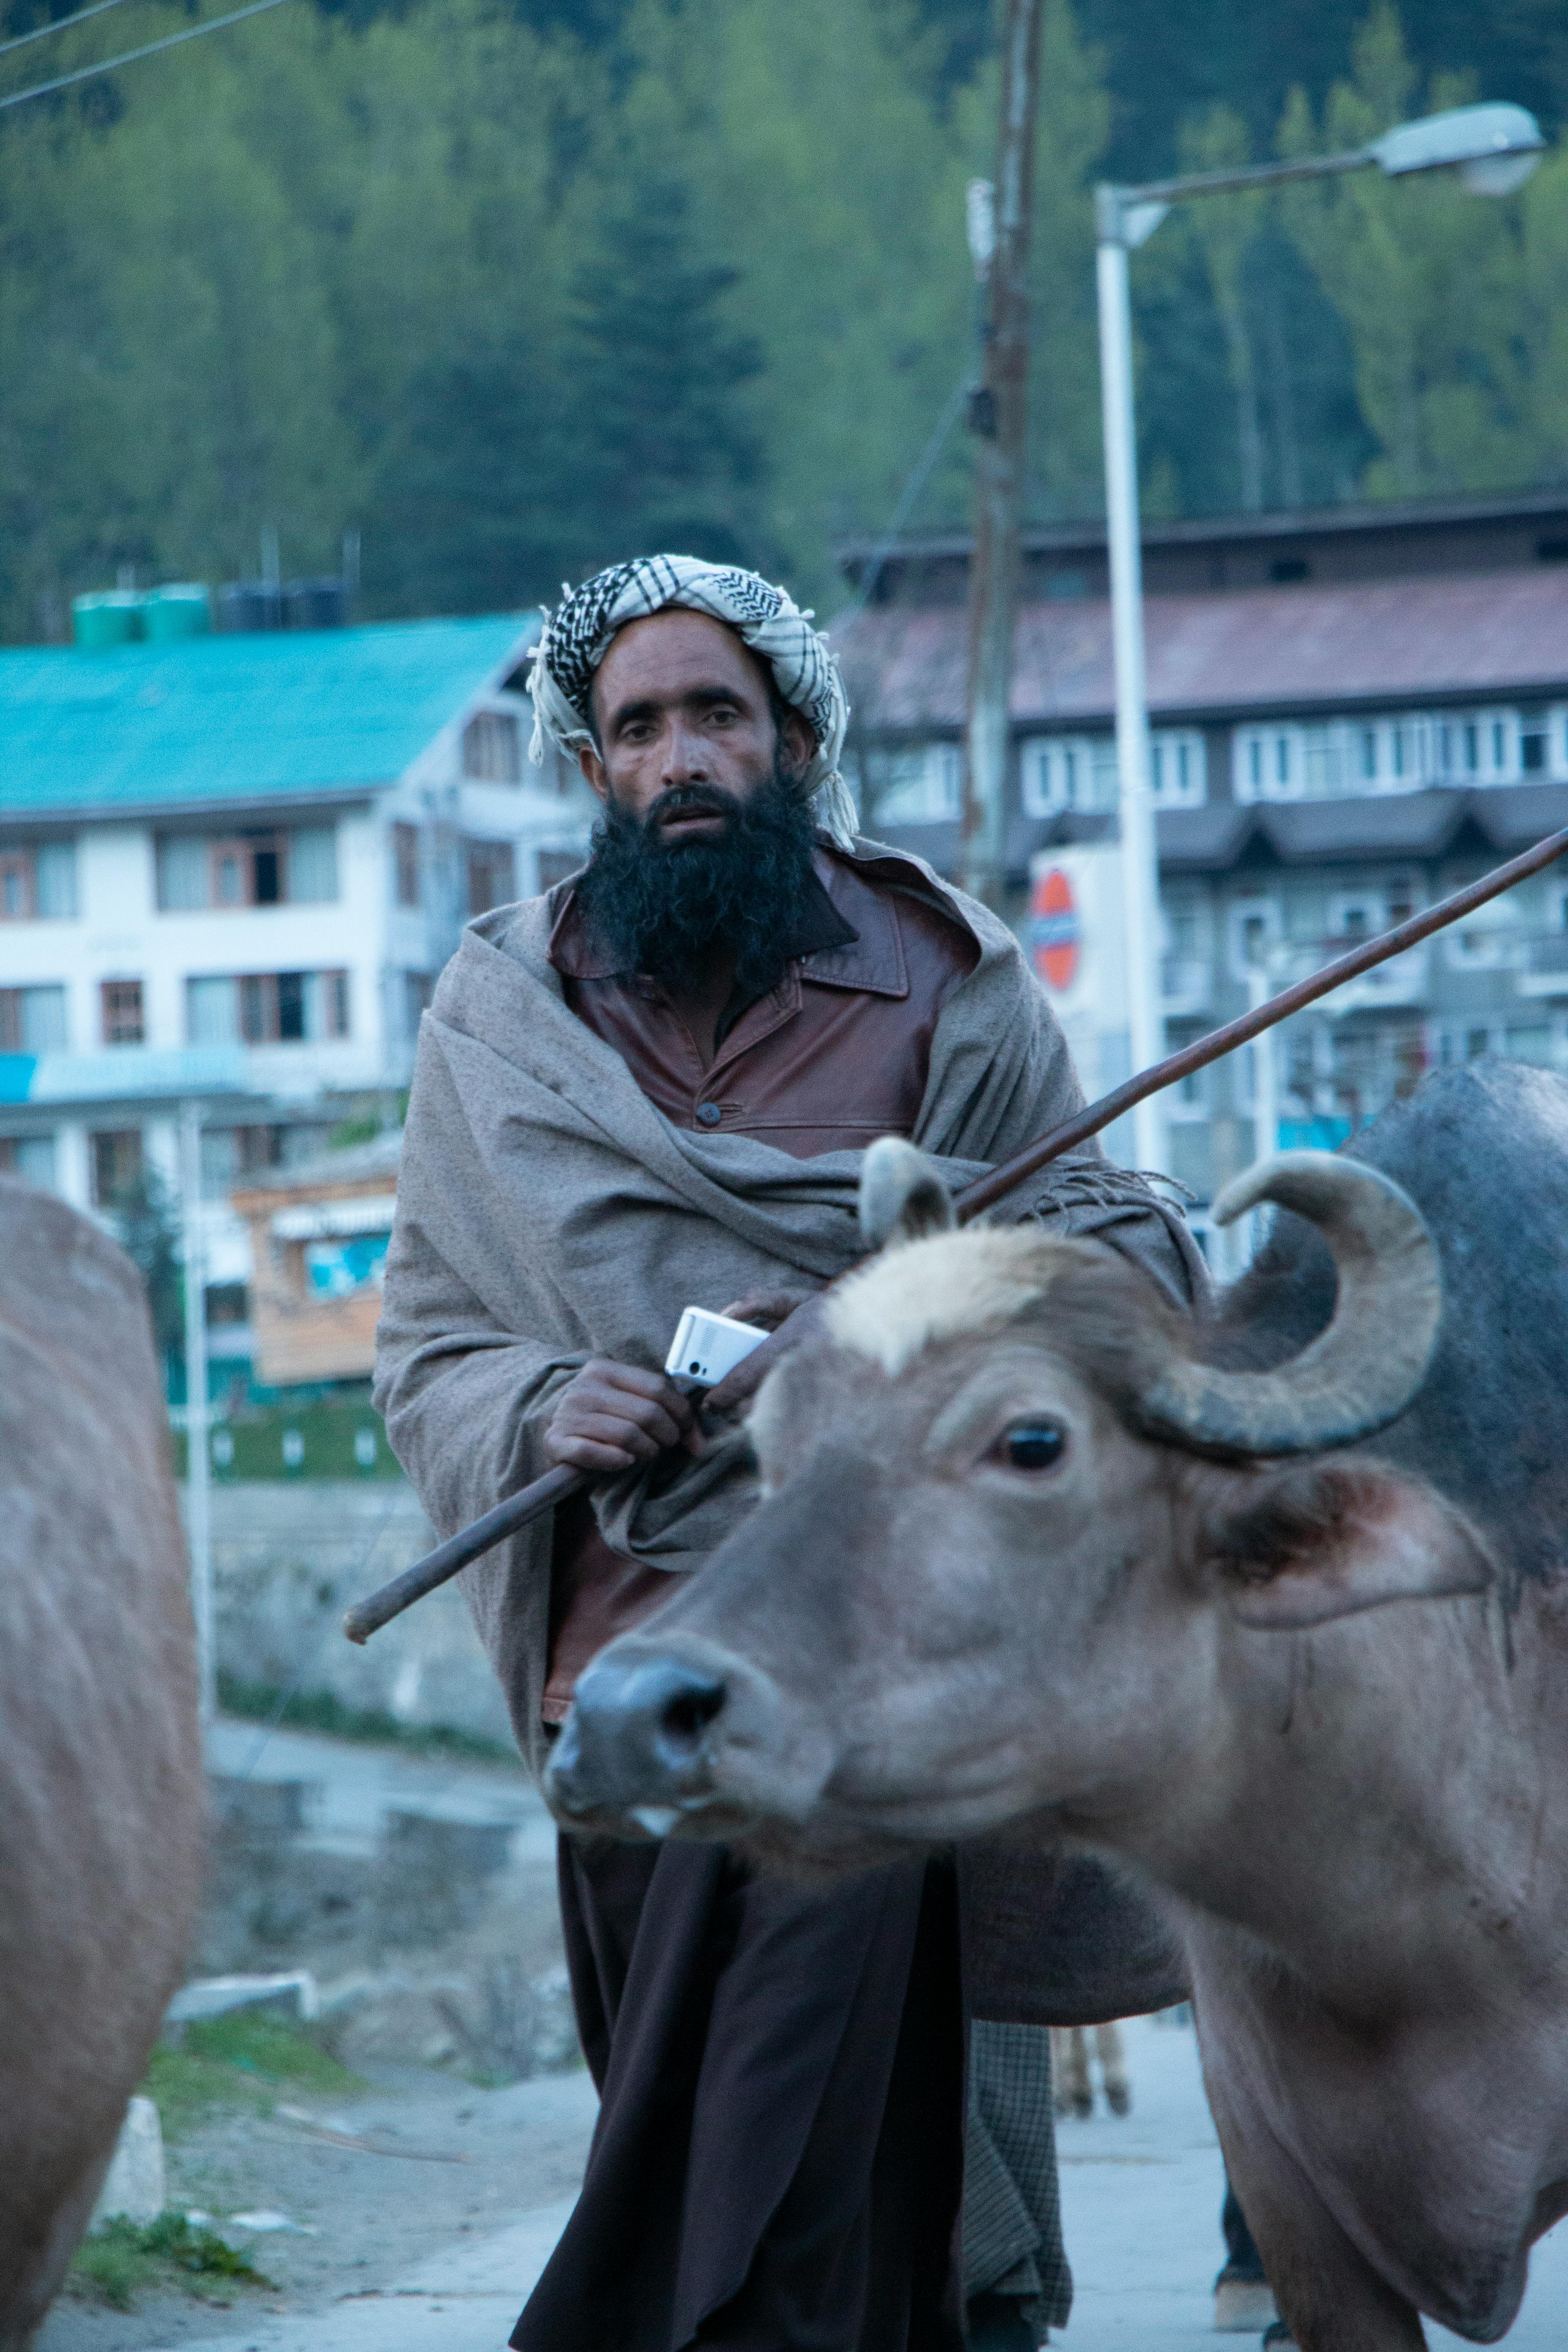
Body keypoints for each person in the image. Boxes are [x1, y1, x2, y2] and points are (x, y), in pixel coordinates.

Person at [374, 555, 1205, 2352]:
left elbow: (1101, 1248)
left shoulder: (945, 984)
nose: (681, 757)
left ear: (796, 739)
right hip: (613, 1645)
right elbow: (431, 1341)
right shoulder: (501, 1014)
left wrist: (882, 1347)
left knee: (793, 2118)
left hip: (862, 1638)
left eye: (718, 717)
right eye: (639, 727)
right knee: (681, 2092)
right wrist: (541, 1407)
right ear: (591, 767)